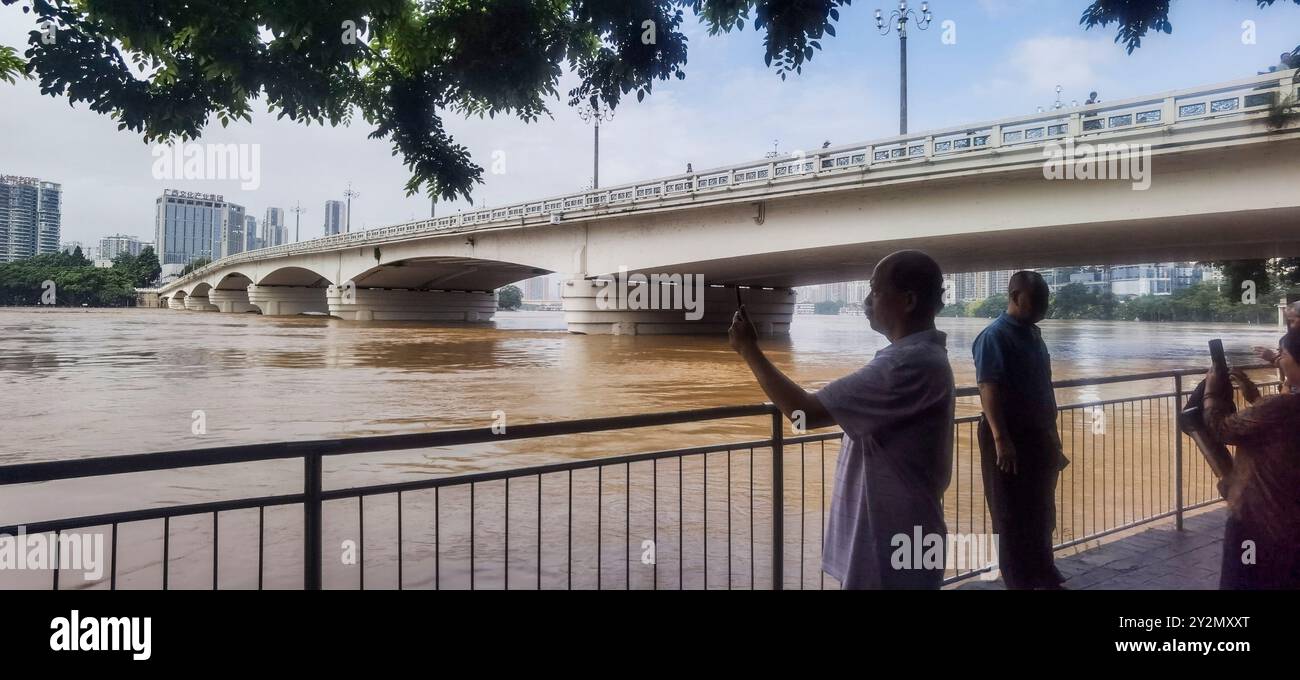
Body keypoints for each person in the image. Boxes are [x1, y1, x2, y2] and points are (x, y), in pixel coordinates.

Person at [727, 250, 955, 589]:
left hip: (890, 537)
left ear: (907, 300)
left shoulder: (905, 365)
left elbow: (804, 413)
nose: (867, 301)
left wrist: (749, 351)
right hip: (901, 532)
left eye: (876, 291)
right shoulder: (921, 358)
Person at [972, 271, 1069, 589]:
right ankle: (1018, 580)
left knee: (1041, 506)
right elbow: (989, 388)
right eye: (1037, 300)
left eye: (1046, 300)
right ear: (1014, 297)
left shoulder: (1033, 335)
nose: (1043, 306)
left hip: (1039, 434)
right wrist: (1001, 440)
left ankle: (1043, 568)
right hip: (1008, 437)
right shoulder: (995, 336)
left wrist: (1052, 438)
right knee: (1009, 513)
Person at [1205, 329, 1300, 589]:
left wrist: (1212, 393)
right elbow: (1280, 432)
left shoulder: (1280, 407)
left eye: (1285, 355)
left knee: (1245, 580)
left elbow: (1222, 429)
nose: (1279, 360)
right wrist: (1255, 398)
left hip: (1260, 518)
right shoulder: (1280, 406)